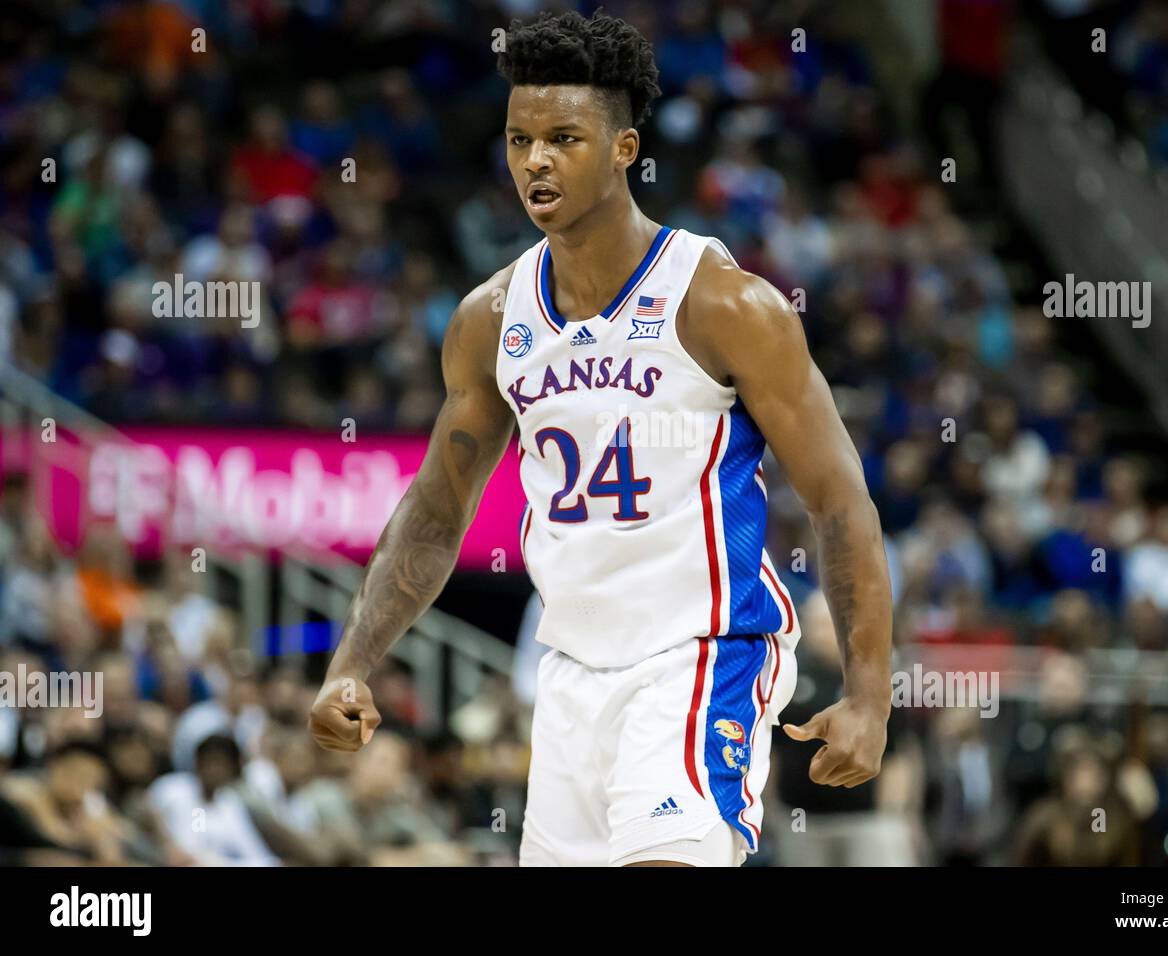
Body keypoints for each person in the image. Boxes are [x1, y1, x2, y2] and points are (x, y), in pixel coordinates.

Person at [309, 9, 894, 868]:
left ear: (624, 149)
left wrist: (870, 695)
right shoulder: (490, 320)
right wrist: (350, 665)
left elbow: (839, 499)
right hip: (572, 674)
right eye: (518, 139)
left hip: (702, 653)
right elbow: (436, 509)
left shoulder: (724, 304)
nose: (534, 160)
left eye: (563, 138)